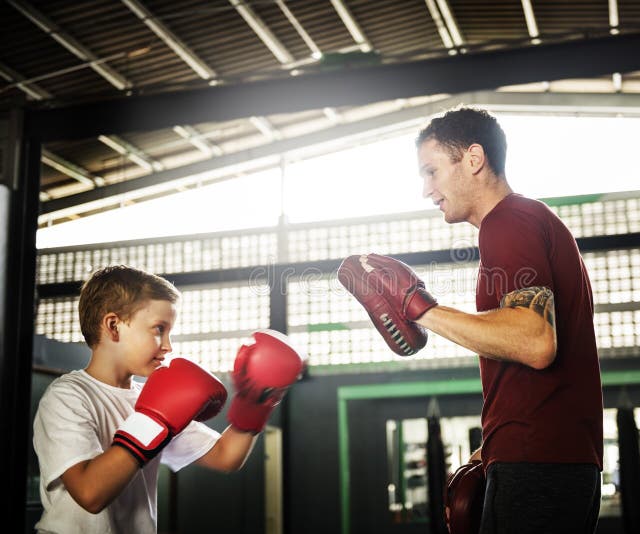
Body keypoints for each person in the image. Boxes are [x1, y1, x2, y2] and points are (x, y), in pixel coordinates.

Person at [339, 106, 603, 533]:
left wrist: (420, 308)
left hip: (537, 464)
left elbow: (536, 342)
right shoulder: (527, 223)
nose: (427, 190)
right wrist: (491, 449)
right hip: (550, 460)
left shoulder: (510, 221)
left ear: (474, 159)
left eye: (431, 171)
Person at [32, 265, 305, 534]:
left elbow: (226, 456)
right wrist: (155, 420)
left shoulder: (153, 397)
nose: (168, 345)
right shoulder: (68, 397)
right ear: (113, 326)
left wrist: (255, 401)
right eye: (158, 329)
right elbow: (90, 494)